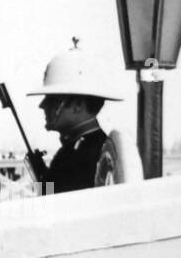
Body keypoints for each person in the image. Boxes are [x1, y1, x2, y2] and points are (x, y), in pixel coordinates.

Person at [26, 44, 123, 193]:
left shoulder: (85, 156)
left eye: (52, 99)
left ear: (78, 105)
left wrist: (44, 180)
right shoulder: (83, 149)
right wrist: (41, 173)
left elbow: (56, 205)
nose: (42, 105)